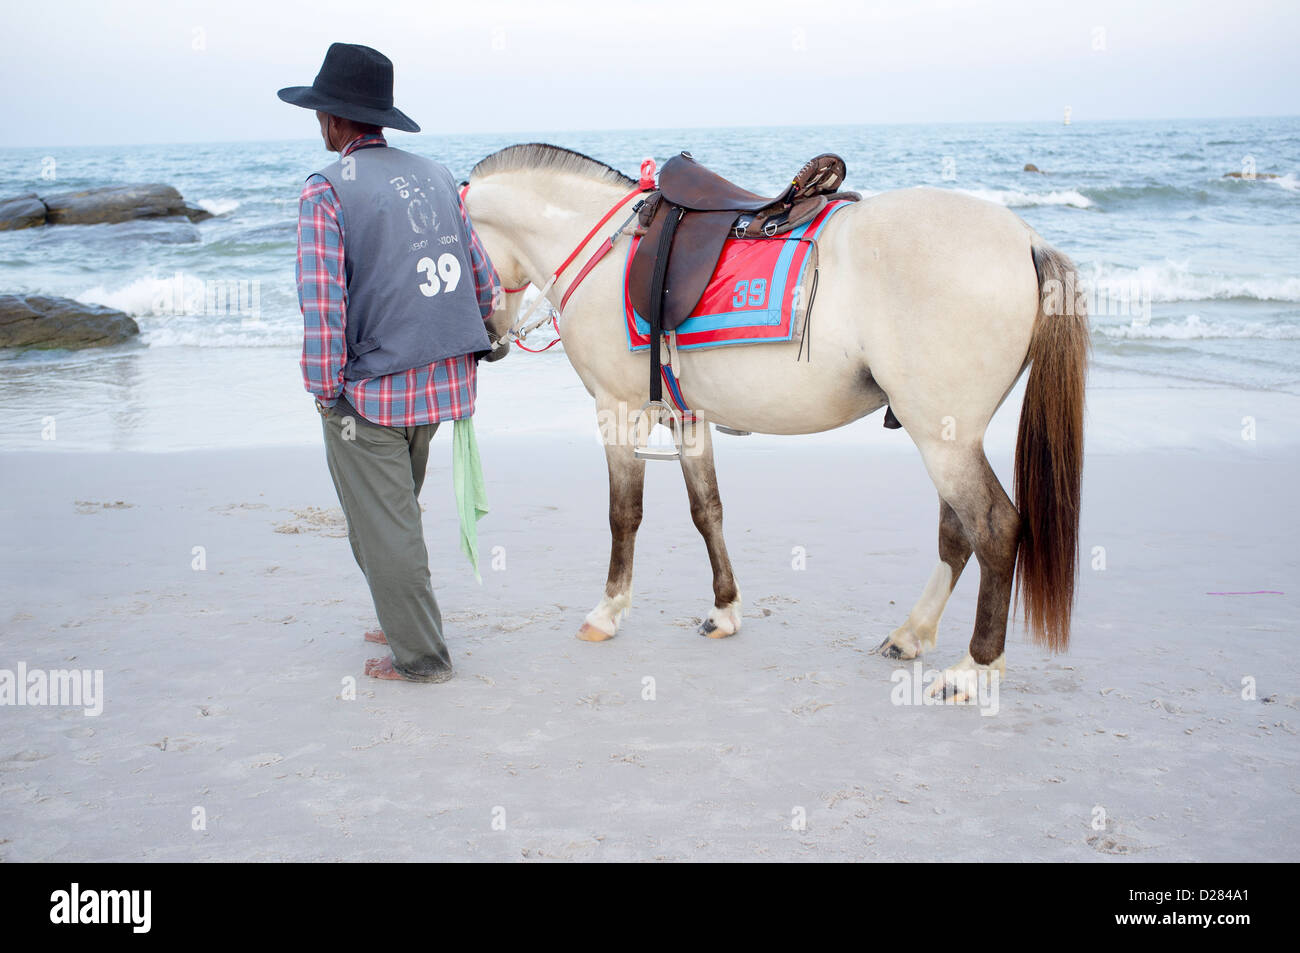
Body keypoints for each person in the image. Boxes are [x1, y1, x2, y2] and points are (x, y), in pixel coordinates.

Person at [278, 42, 502, 683]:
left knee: (385, 523)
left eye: (320, 112)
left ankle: (422, 657)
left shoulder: (325, 192)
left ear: (332, 119)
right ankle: (401, 613)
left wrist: (324, 391)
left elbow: (323, 306)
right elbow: (481, 283)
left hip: (371, 393)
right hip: (445, 383)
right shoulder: (436, 175)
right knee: (393, 512)